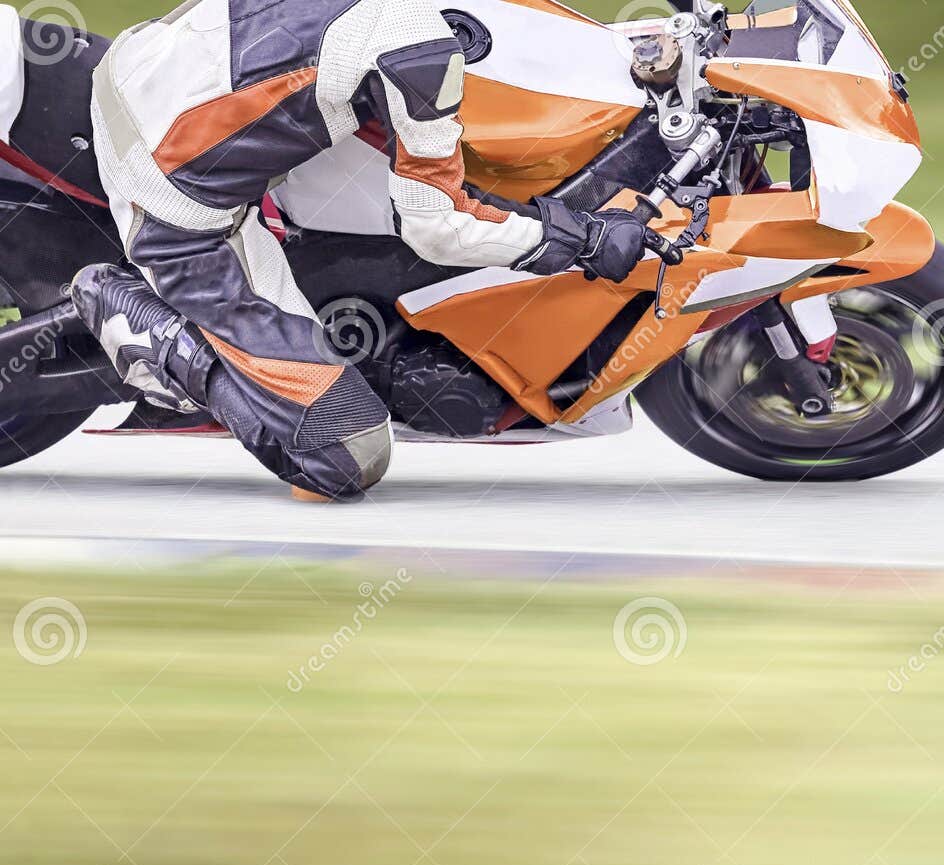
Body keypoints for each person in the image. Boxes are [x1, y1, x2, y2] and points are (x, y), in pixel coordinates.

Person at [70, 0, 649, 500]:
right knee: (349, 455)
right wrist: (579, 238)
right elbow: (436, 228)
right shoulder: (415, 42)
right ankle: (143, 324)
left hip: (138, 64)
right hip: (174, 208)